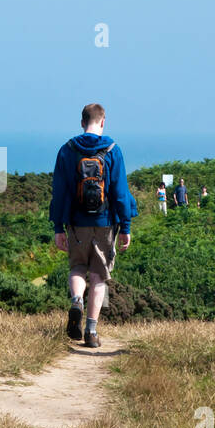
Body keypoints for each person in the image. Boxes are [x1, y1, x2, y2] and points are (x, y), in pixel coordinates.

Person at [50, 103, 137, 348]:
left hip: (76, 223)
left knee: (77, 267)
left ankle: (76, 299)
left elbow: (58, 192)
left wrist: (58, 227)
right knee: (99, 277)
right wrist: (126, 226)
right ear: (103, 121)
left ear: (81, 122)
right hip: (106, 223)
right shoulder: (112, 150)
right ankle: (91, 332)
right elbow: (120, 193)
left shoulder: (67, 150)